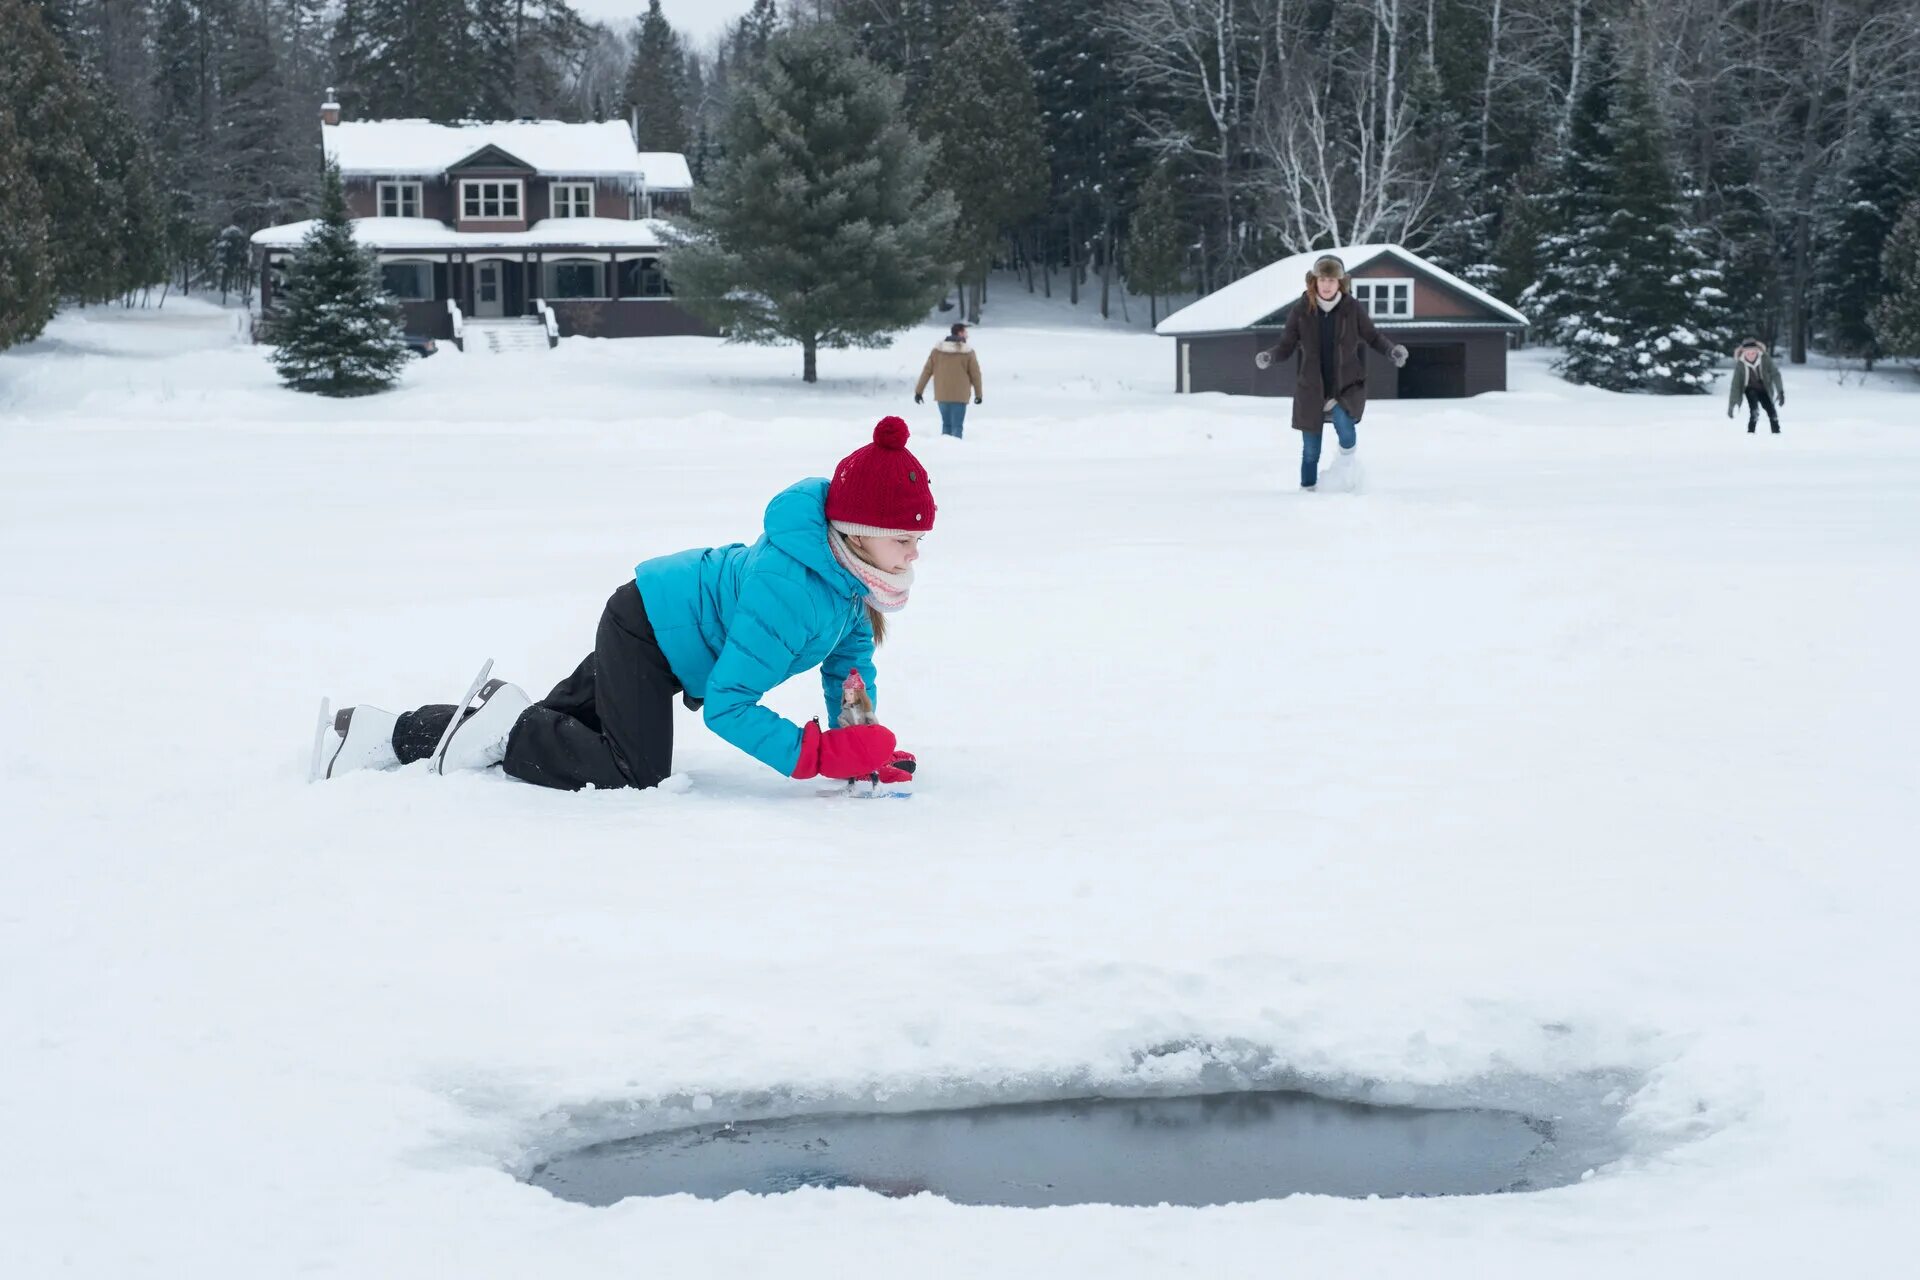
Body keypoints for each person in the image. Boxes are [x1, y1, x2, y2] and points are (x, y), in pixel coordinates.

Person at [318, 418, 931, 791]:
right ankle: (508, 723)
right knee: (633, 771)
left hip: (662, 630)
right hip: (646, 630)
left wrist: (861, 743)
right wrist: (818, 757)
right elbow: (728, 705)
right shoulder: (793, 587)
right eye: (902, 539)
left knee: (559, 729)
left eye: (918, 541)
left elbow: (848, 674)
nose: (912, 555)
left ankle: (383, 735)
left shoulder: (852, 587)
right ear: (855, 531)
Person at [1254, 255, 1408, 491]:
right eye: (1322, 279)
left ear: (1340, 283)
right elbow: (1286, 345)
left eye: (1331, 280)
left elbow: (1373, 337)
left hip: (1345, 387)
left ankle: (1346, 467)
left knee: (1346, 429)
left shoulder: (1352, 308)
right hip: (1312, 389)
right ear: (1314, 281)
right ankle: (1308, 491)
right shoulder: (1302, 309)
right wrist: (1270, 356)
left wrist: (1391, 351)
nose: (1326, 285)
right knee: (1310, 452)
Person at [914, 322, 983, 439]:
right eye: (966, 332)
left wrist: (918, 391)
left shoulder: (937, 351)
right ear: (960, 333)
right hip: (960, 396)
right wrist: (978, 394)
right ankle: (955, 452)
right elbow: (975, 375)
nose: (967, 335)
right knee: (957, 426)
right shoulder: (968, 352)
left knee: (946, 425)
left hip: (942, 394)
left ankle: (944, 450)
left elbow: (927, 371)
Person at [1727, 338, 1785, 433]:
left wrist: (1780, 391)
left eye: (1753, 353)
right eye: (1748, 353)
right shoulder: (1740, 364)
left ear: (1757, 351)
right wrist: (1732, 404)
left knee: (1771, 411)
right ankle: (1751, 432)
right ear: (1743, 353)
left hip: (1764, 388)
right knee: (1754, 410)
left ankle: (1776, 432)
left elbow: (1775, 374)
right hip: (1750, 389)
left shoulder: (1765, 359)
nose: (1750, 356)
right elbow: (1735, 385)